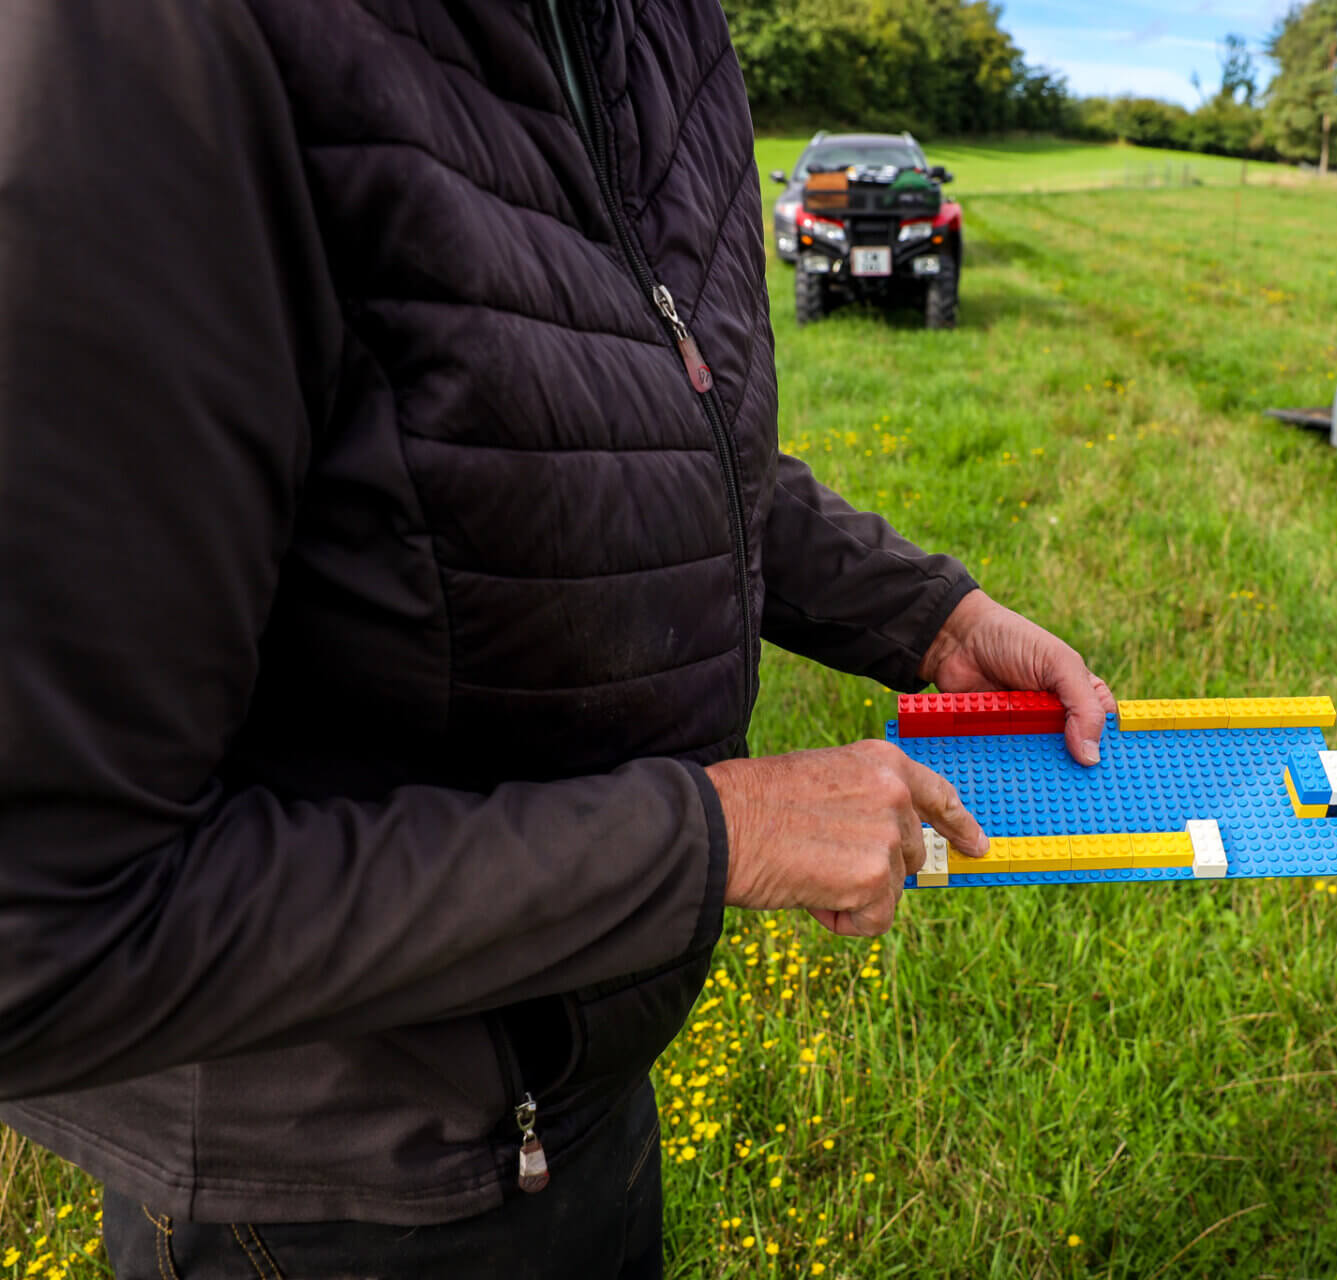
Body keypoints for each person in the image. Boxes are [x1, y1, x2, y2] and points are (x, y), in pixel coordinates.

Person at [0, 1, 1115, 1274]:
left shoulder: (652, 30)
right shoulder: (151, 44)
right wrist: (712, 834)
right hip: (335, 1192)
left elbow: (631, 425)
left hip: (577, 1085)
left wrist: (927, 613)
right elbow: (41, 923)